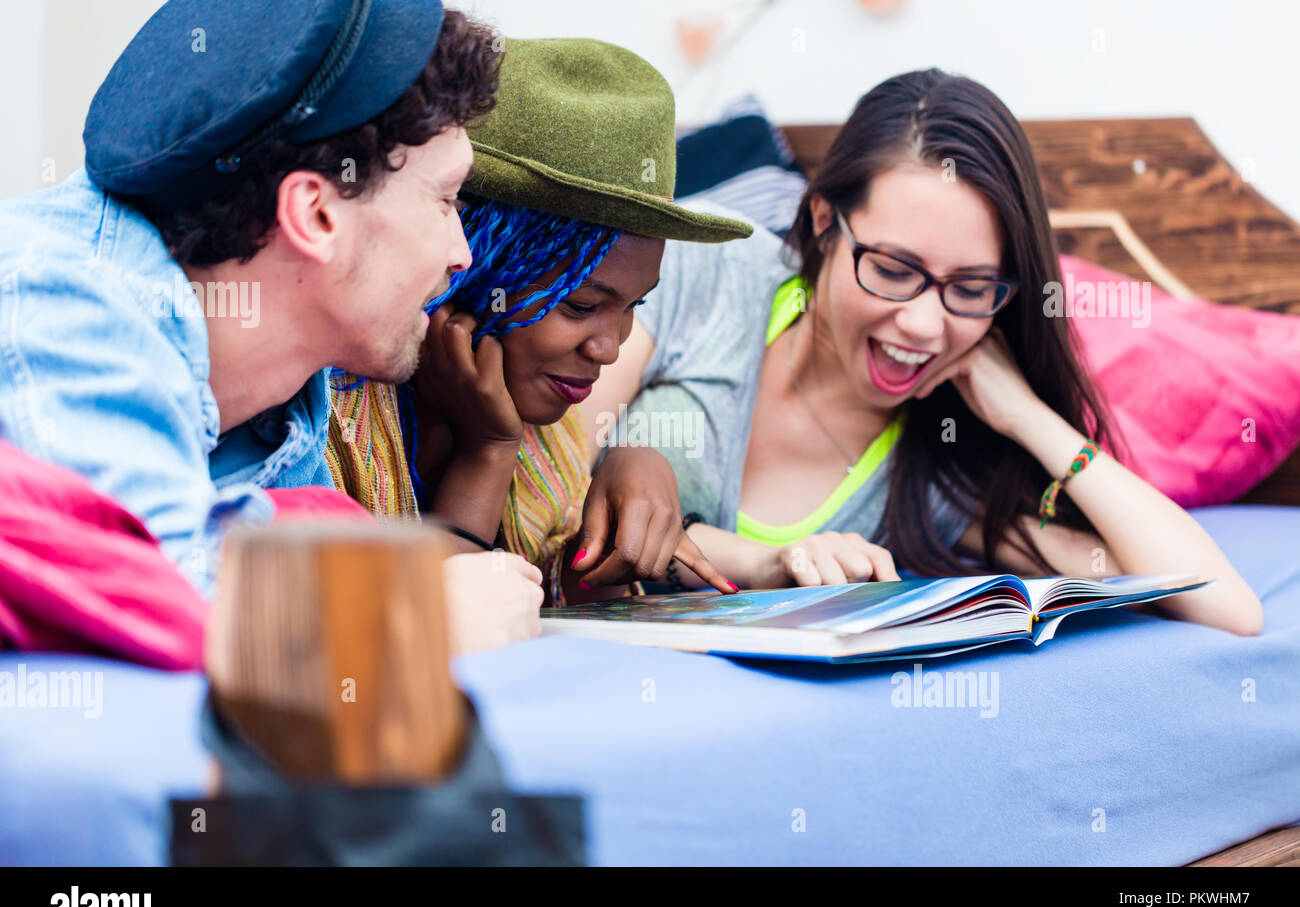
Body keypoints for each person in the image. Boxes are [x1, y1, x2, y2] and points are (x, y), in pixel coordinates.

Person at [580, 68, 1262, 635]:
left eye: (971, 287)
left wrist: (1030, 418)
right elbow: (549, 485)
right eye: (894, 269)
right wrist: (755, 555)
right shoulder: (712, 271)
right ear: (824, 223)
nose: (925, 325)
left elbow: (1223, 605)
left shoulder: (936, 482)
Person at [0, 0, 544, 644]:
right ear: (314, 216)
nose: (463, 254)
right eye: (447, 200)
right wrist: (420, 618)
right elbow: (168, 622)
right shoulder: (58, 303)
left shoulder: (285, 390)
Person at [325, 38, 752, 605]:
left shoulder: (547, 439)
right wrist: (487, 453)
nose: (610, 348)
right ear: (474, 263)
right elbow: (423, 634)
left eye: (634, 308)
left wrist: (632, 470)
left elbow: (555, 605)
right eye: (580, 305)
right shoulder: (331, 416)